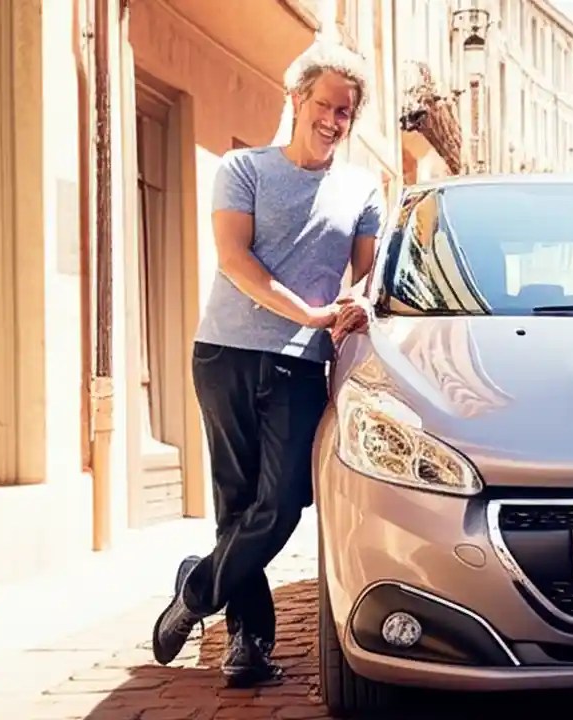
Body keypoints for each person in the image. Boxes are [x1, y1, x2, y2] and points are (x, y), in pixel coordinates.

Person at [150, 41, 382, 686]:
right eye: (326, 105)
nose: (334, 120)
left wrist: (356, 304)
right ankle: (248, 644)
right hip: (225, 353)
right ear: (297, 100)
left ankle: (196, 592)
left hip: (301, 368)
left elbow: (368, 276)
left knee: (281, 503)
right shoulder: (244, 169)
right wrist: (308, 314)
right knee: (237, 502)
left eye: (346, 112)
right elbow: (234, 258)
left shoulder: (362, 186)